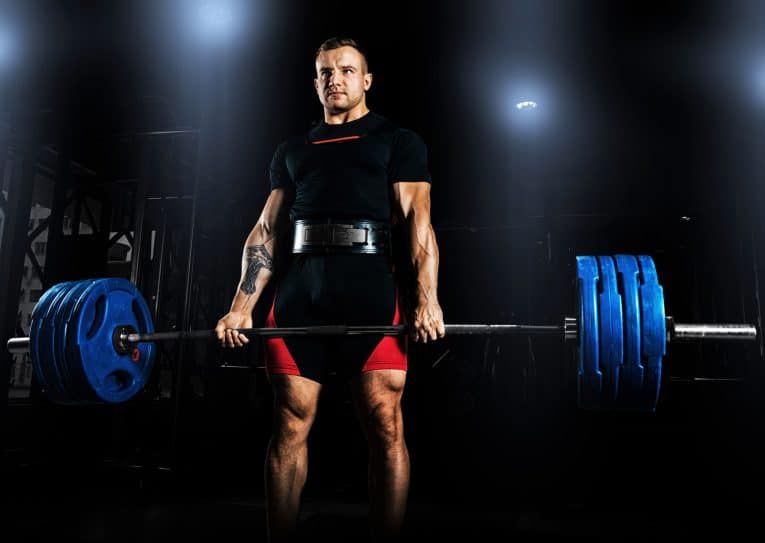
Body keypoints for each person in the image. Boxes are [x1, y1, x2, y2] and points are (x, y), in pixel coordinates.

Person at [215, 36, 445, 541]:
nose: (335, 79)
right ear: (315, 83)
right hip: (301, 294)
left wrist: (427, 300)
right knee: (289, 424)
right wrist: (240, 308)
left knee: (386, 423)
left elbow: (418, 223)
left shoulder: (398, 141)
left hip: (372, 292)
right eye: (325, 72)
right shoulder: (293, 150)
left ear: (367, 80)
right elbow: (267, 232)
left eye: (346, 70)